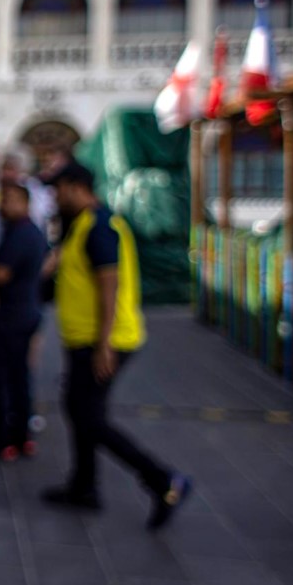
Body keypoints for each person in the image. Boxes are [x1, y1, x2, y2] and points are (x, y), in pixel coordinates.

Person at [42, 159, 192, 530]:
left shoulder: (100, 226)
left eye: (58, 190)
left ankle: (163, 480)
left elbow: (109, 285)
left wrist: (104, 345)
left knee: (89, 417)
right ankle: (84, 485)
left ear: (77, 187)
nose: (54, 198)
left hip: (104, 340)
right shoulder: (82, 226)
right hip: (86, 339)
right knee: (79, 410)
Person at [0, 182, 48, 461]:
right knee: (17, 378)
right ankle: (18, 436)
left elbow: (0, 273)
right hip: (20, 315)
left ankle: (2, 438)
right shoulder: (19, 231)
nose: (4, 205)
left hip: (11, 318)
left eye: (11, 200)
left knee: (2, 379)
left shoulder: (22, 234)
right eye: (3, 199)